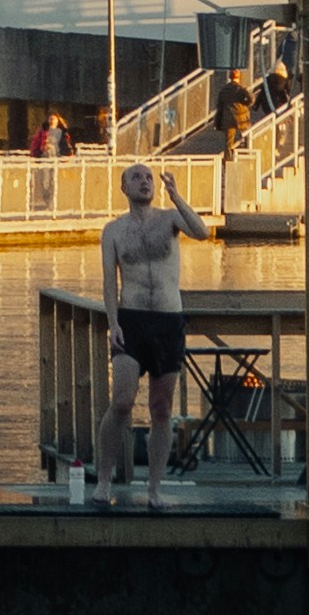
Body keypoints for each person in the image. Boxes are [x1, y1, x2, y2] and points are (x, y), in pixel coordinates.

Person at [99, 165, 192, 506]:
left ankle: (154, 488)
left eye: (149, 177)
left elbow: (202, 231)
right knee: (122, 402)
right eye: (136, 177)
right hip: (131, 319)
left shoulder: (170, 219)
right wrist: (114, 323)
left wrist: (177, 196)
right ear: (123, 187)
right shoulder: (113, 231)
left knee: (161, 409)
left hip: (168, 320)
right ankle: (104, 481)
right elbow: (109, 281)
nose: (145, 182)